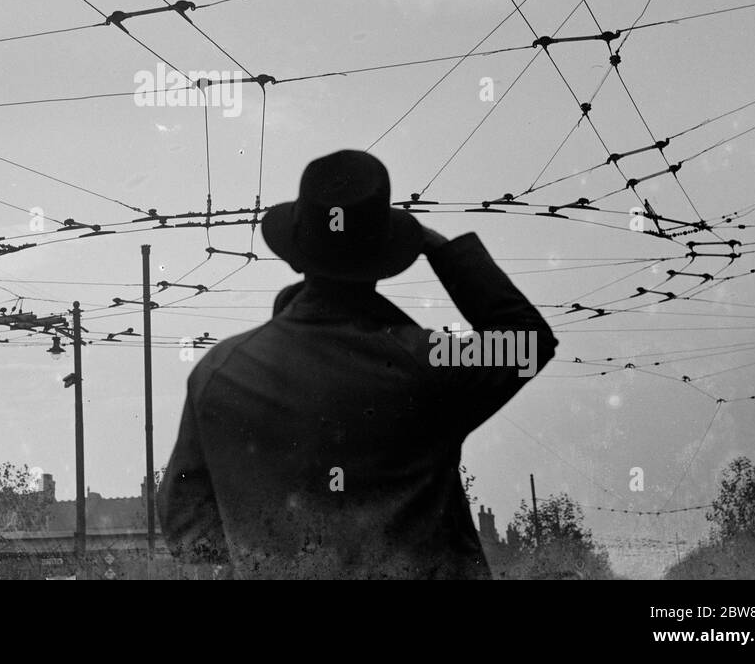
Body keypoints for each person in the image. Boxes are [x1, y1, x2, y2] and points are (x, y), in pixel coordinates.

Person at [157, 149, 557, 579]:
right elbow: (527, 341)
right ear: (386, 260)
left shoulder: (220, 372)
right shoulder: (428, 364)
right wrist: (443, 251)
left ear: (294, 256)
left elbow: (187, 530)